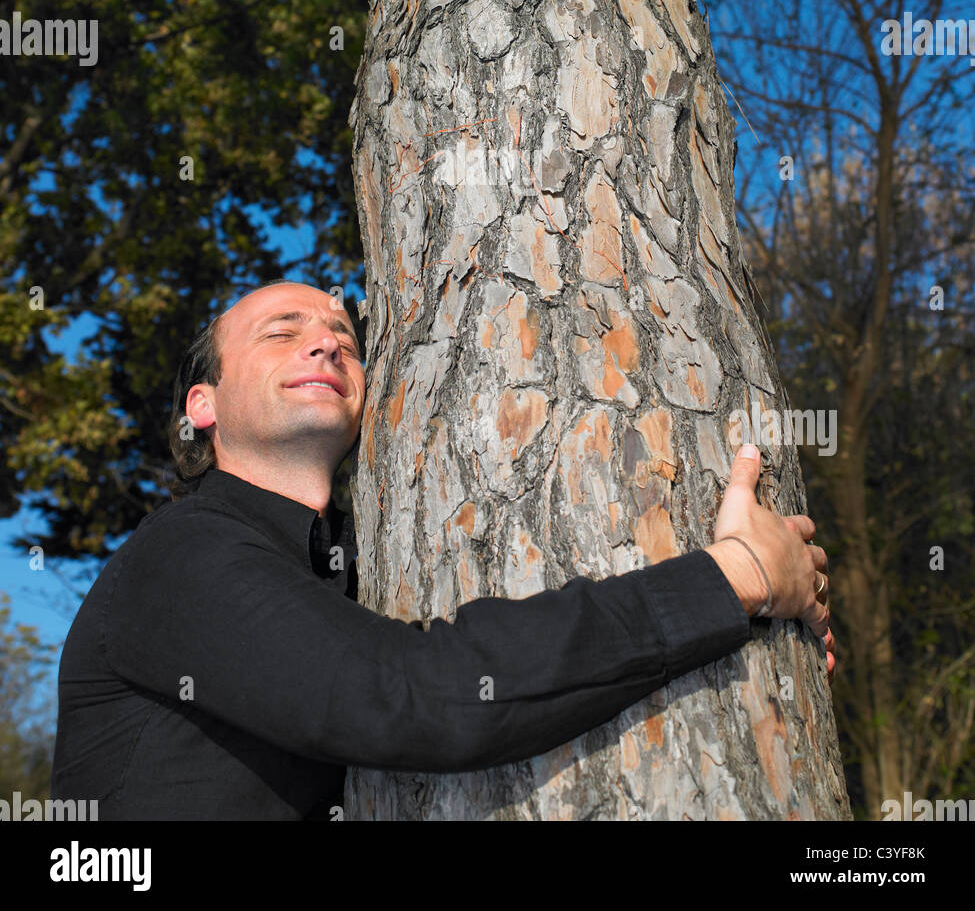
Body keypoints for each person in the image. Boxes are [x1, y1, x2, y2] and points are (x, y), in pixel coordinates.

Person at [51, 280, 834, 820]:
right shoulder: (181, 556)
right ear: (204, 406)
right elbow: (414, 696)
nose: (324, 346)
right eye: (281, 333)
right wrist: (731, 580)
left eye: (343, 340)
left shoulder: (347, 572)